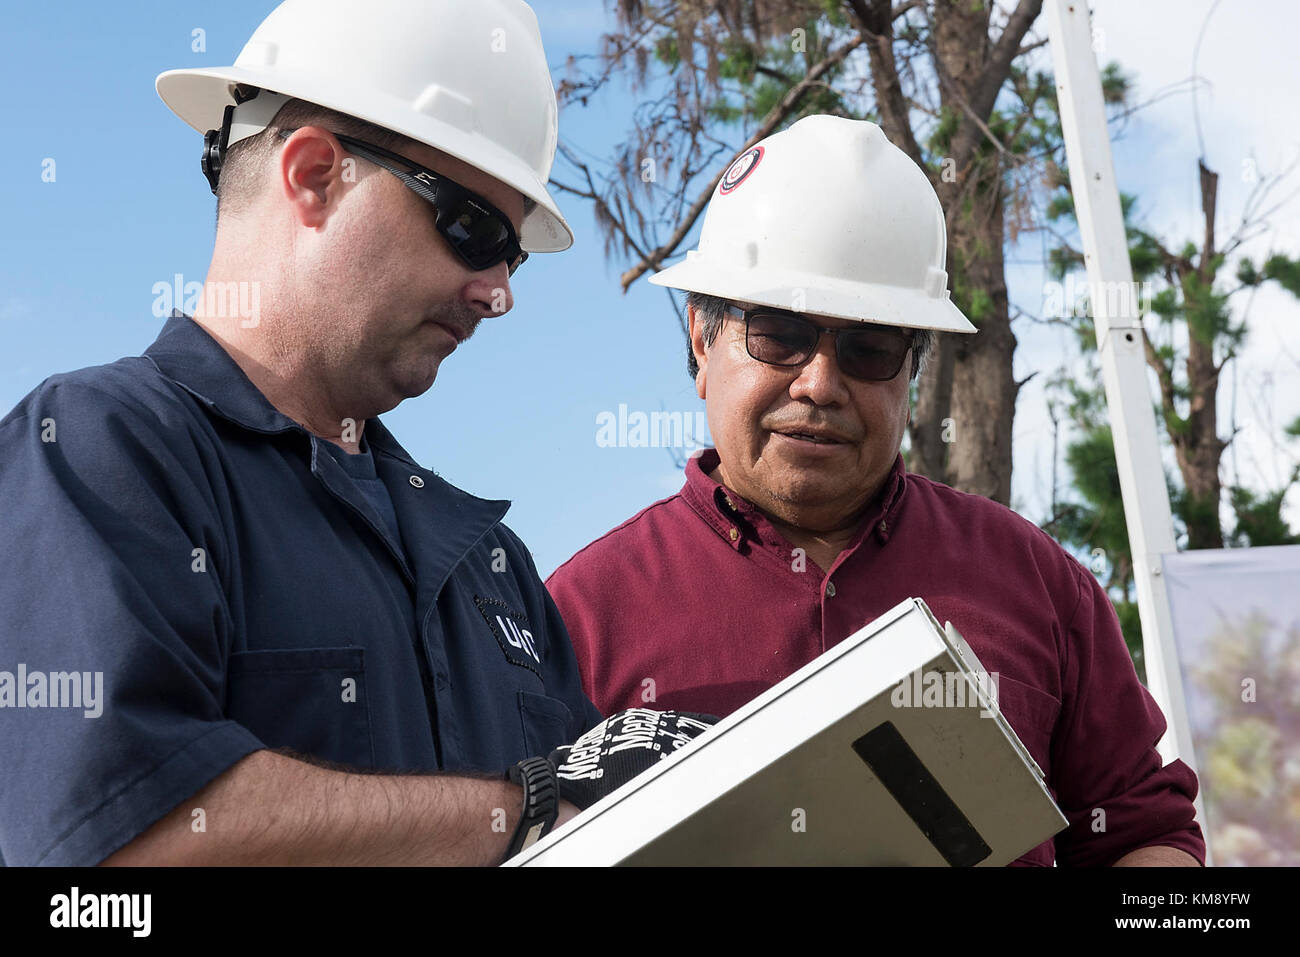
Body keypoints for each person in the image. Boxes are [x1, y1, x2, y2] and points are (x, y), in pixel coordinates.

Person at [0, 0, 711, 868]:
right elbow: (120, 839)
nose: (498, 291)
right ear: (314, 174)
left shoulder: (496, 568)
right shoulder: (95, 454)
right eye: (474, 229)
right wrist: (522, 809)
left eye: (512, 253)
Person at [546, 115, 1205, 867]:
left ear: (912, 370)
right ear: (702, 338)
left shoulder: (1037, 584)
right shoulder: (578, 615)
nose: (820, 383)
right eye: (780, 333)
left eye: (868, 348)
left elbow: (1145, 834)